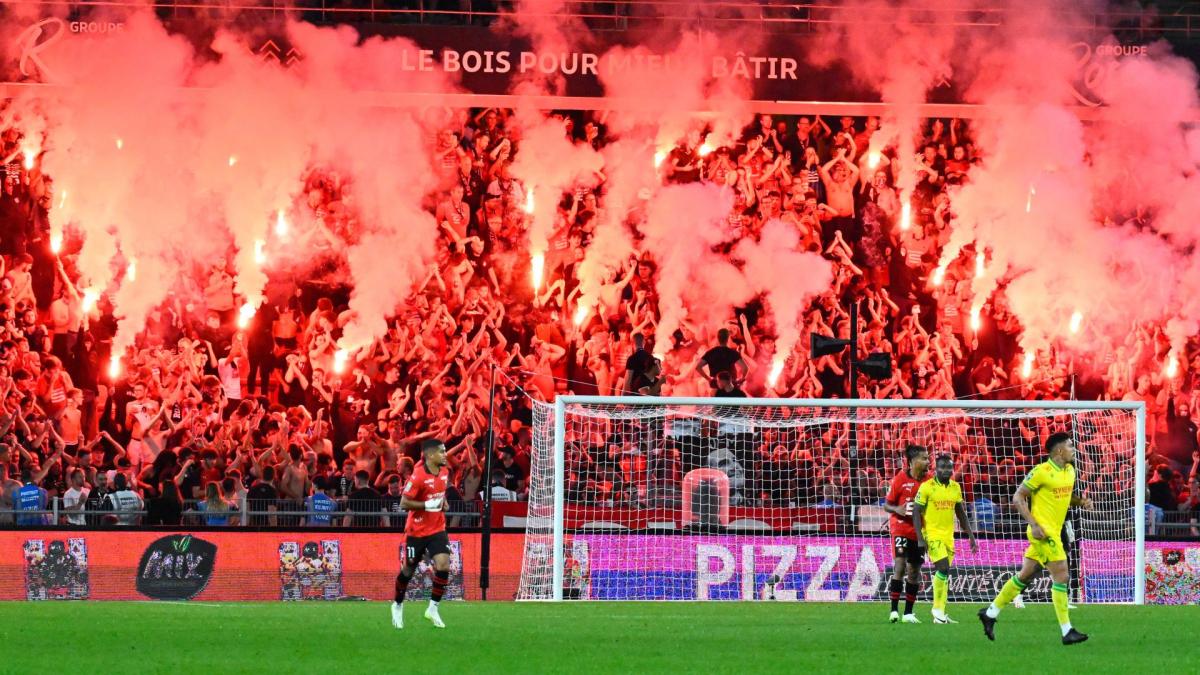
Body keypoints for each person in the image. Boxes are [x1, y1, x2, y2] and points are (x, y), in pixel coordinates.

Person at [979, 432, 1092, 645]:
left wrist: (1081, 502)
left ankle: (990, 613)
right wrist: (1033, 524)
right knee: (1061, 575)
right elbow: (1018, 497)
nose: (1073, 450)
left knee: (1024, 577)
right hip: (1043, 533)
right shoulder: (1041, 472)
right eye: (1070, 446)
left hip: (1053, 531)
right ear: (1059, 450)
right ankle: (1067, 631)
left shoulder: (1070, 471)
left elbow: (1065, 497)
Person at [392, 439, 453, 630]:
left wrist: (443, 503)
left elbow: (440, 493)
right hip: (417, 531)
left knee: (443, 565)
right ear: (430, 455)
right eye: (442, 452)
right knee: (408, 570)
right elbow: (403, 503)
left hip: (437, 528)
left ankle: (433, 609)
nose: (445, 455)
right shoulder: (418, 476)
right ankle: (397, 605)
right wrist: (427, 505)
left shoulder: (444, 472)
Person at [912, 453, 977, 624]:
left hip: (949, 537)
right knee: (943, 568)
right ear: (936, 469)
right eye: (942, 467)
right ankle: (936, 609)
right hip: (932, 535)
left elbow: (961, 513)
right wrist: (920, 538)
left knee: (945, 573)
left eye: (949, 467)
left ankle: (940, 613)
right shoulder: (927, 487)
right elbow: (916, 512)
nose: (946, 470)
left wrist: (971, 536)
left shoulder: (955, 487)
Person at [881, 443, 929, 624]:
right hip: (900, 528)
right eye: (924, 458)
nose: (928, 461)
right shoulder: (899, 479)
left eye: (928, 458)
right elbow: (887, 505)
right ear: (912, 461)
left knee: (914, 571)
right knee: (900, 565)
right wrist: (898, 509)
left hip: (919, 532)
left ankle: (908, 613)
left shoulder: (930, 481)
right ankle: (894, 610)